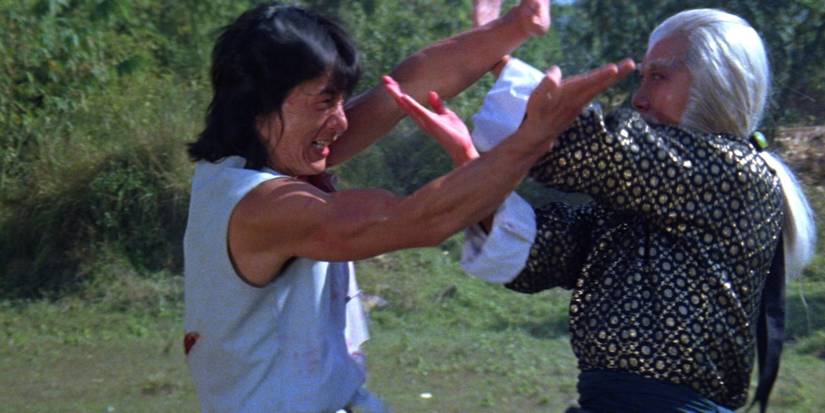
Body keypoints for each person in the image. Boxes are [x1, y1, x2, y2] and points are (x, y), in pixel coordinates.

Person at [181, 1, 635, 412]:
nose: (341, 121)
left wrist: (516, 26)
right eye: (324, 102)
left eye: (341, 101)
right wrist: (534, 136)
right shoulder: (262, 207)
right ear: (258, 104)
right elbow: (419, 219)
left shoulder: (266, 156)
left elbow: (406, 87)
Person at [414, 5, 817, 412]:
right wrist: (471, 164)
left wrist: (496, 54)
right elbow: (543, 250)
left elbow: (587, 149)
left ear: (717, 83)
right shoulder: (656, 190)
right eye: (643, 78)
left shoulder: (732, 174)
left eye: (658, 77)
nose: (639, 99)